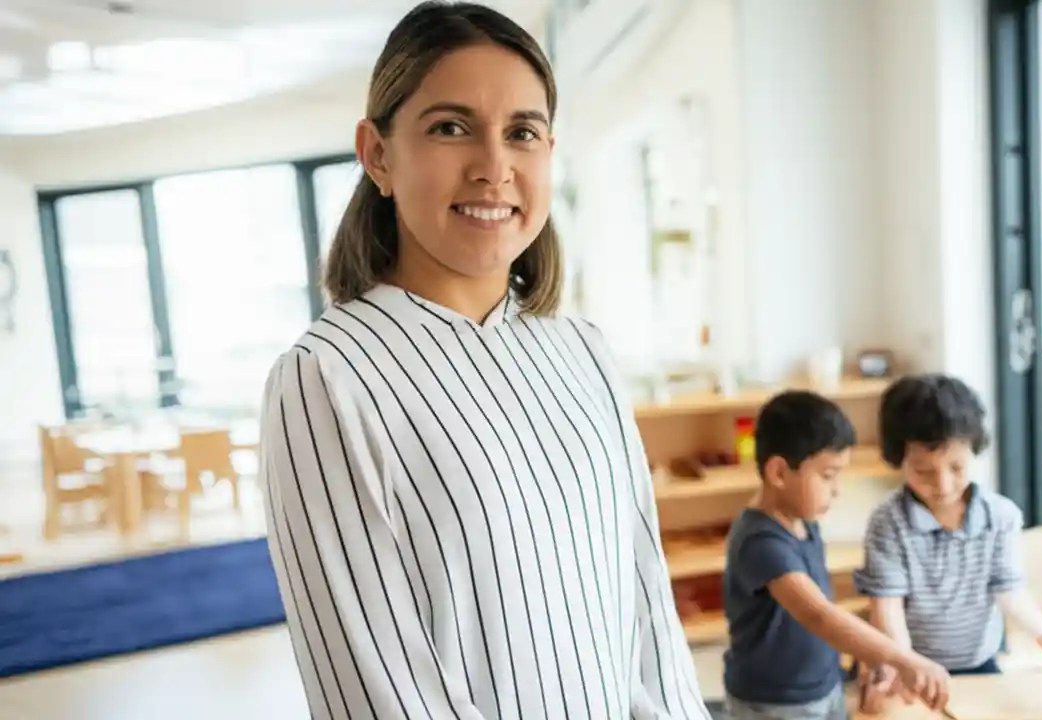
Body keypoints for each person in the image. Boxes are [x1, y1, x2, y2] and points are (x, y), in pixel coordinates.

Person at [258, 3, 709, 718]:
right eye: (450, 128)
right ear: (377, 154)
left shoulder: (582, 351)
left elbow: (647, 611)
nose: (493, 167)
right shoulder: (328, 379)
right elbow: (375, 691)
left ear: (548, 154)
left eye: (521, 133)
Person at [855, 374, 1042, 713]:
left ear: (975, 449)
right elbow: (887, 607)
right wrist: (905, 662)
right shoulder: (887, 524)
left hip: (979, 662)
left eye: (956, 467)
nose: (942, 484)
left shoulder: (1000, 516)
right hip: (912, 665)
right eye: (924, 471)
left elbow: (1009, 591)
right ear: (899, 460)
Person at [721, 391, 950, 719]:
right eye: (828, 476)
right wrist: (901, 657)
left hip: (823, 686)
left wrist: (867, 656)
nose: (838, 489)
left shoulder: (803, 521)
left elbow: (823, 612)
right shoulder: (761, 543)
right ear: (779, 473)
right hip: (774, 704)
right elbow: (819, 616)